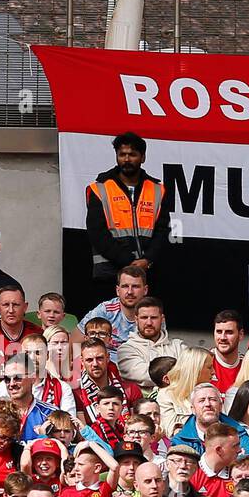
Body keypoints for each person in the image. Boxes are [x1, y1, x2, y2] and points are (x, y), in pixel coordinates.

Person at [85, 131, 170, 295]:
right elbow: (97, 233)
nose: (126, 159)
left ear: (143, 157)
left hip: (147, 274)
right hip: (110, 274)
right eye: (122, 154)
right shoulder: (99, 188)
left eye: (132, 154)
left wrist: (147, 260)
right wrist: (129, 262)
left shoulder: (158, 189)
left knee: (148, 319)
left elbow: (163, 231)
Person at [79, 264, 148, 351]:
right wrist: (78, 364)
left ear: (145, 290)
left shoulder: (152, 313)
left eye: (135, 286)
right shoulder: (104, 311)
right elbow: (75, 343)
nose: (130, 292)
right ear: (118, 290)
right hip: (103, 362)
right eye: (125, 286)